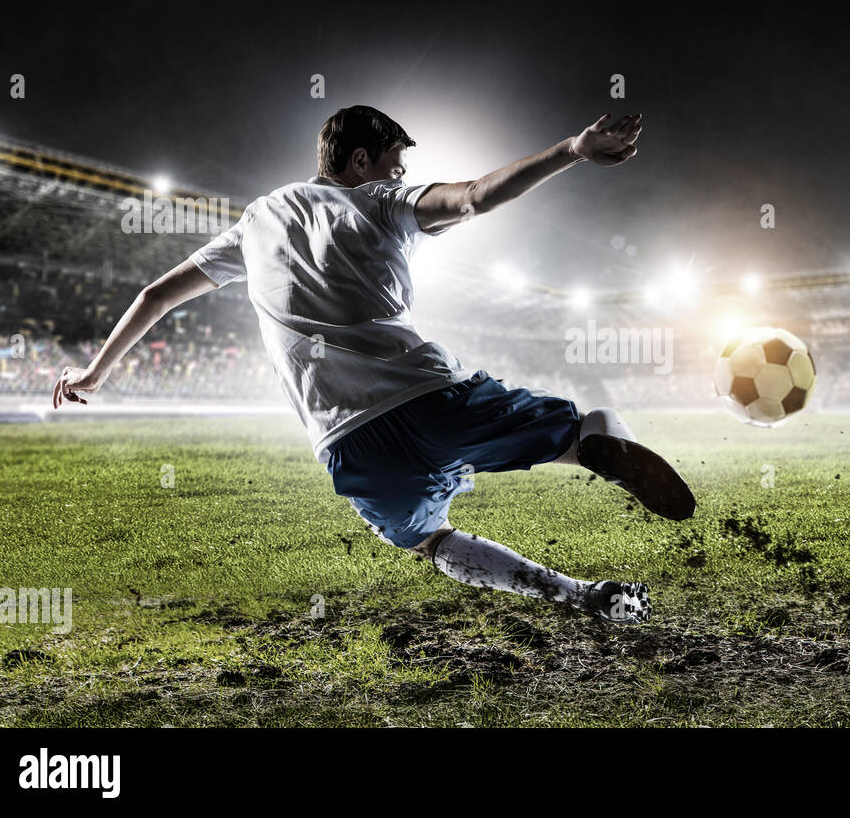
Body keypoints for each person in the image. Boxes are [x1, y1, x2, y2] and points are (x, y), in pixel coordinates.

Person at [52, 105, 695, 624]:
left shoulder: (256, 221)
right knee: (589, 424)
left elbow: (155, 295)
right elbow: (473, 196)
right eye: (394, 165)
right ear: (361, 160)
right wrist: (572, 150)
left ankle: (582, 598)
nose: (399, 177)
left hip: (346, 441)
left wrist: (95, 373)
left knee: (430, 540)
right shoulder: (383, 204)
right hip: (426, 396)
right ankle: (603, 450)